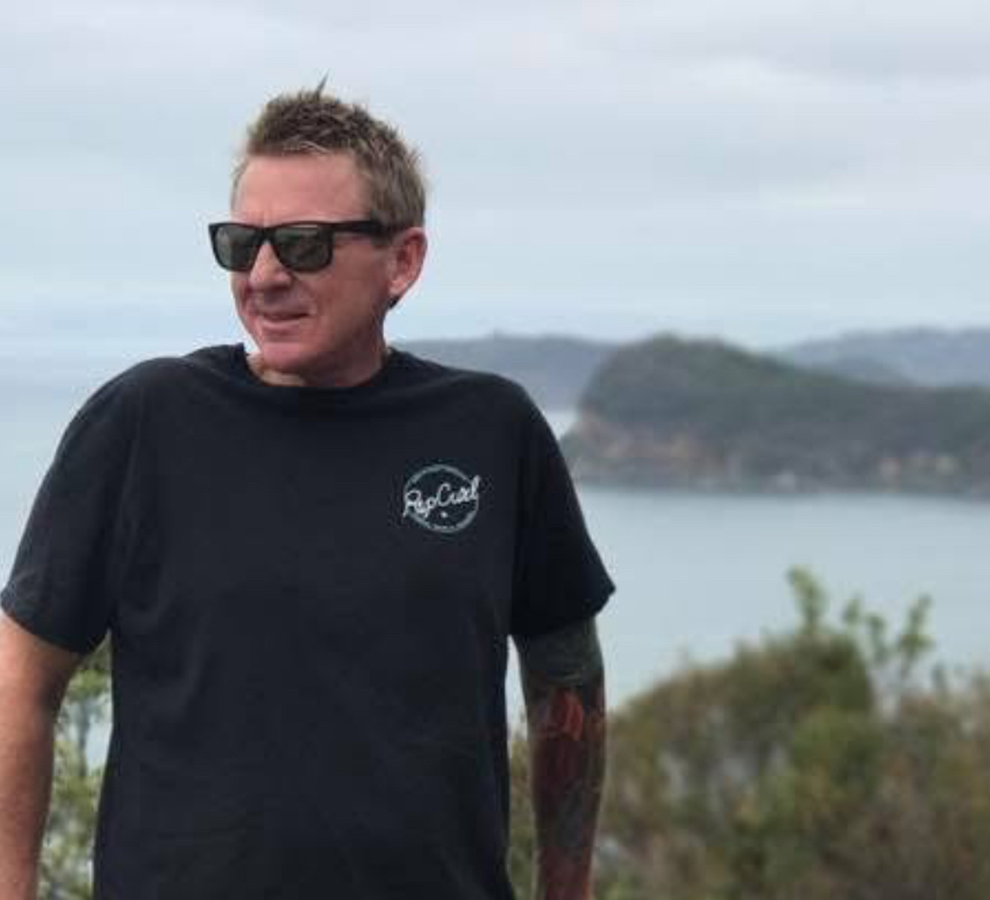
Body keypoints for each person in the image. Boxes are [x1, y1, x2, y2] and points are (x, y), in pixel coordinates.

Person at [0, 86, 613, 900]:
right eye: (241, 244)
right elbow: (20, 678)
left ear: (402, 260)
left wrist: (565, 893)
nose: (263, 276)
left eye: (303, 245)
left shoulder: (493, 431)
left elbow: (567, 674)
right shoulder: (145, 422)